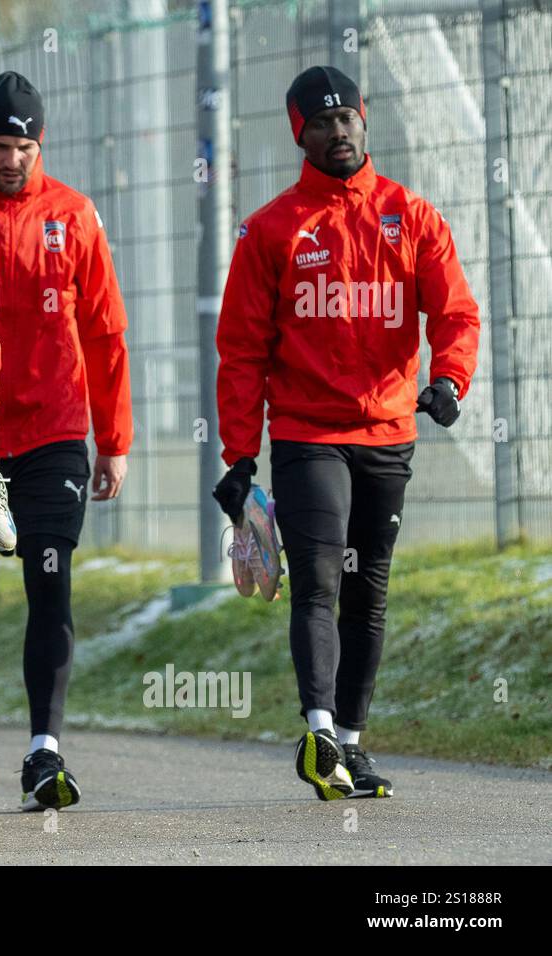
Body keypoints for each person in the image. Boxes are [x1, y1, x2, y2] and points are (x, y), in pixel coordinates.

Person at [214, 66, 480, 801]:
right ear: (300, 132)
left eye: (348, 121)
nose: (338, 133)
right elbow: (241, 349)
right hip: (308, 436)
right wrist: (240, 452)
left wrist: (451, 380)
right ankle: (320, 730)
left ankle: (353, 747)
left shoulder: (411, 216)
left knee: (369, 591)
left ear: (365, 123)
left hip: (390, 431)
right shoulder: (272, 229)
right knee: (320, 581)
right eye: (321, 124)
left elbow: (456, 312)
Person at [0, 72, 133, 813]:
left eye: (23, 146)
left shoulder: (73, 215)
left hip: (53, 431)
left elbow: (106, 332)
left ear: (39, 144)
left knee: (51, 578)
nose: (11, 160)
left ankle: (44, 751)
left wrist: (114, 439)